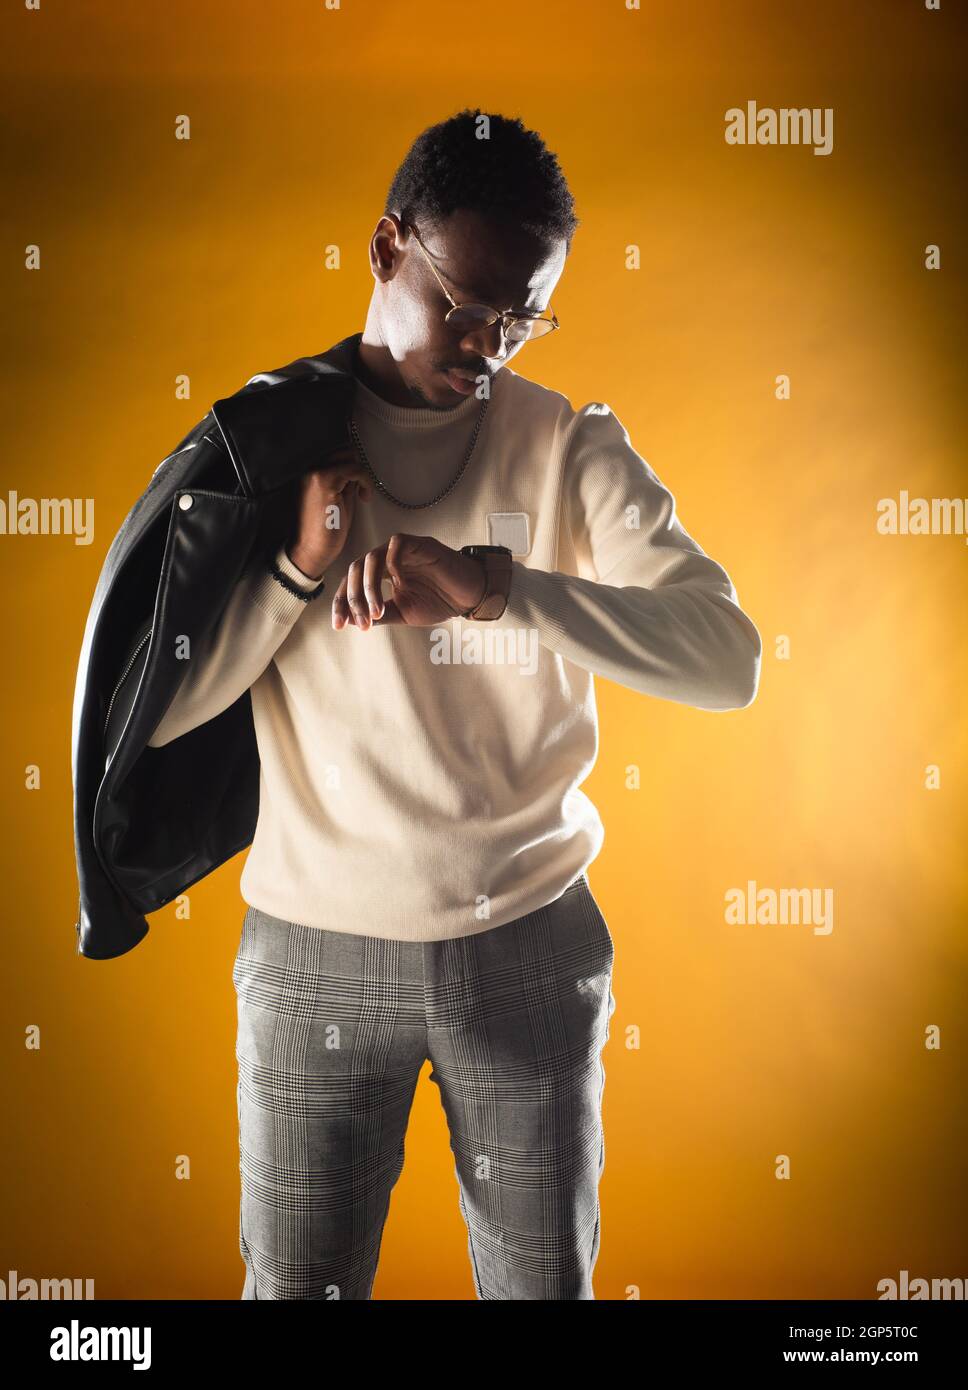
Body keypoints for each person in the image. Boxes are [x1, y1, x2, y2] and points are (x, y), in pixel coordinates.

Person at [147, 107, 762, 1300]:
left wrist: (497, 588)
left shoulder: (568, 446)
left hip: (526, 943)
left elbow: (724, 658)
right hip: (311, 955)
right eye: (466, 306)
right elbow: (162, 714)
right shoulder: (267, 442)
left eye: (520, 316)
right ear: (386, 249)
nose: (488, 344)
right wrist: (290, 571)